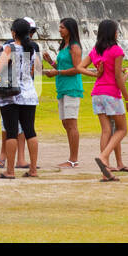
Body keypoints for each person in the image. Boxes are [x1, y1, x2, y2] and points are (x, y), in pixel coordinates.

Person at [84, 19, 128, 182]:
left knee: (106, 131)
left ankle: (106, 173)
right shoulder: (116, 50)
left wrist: (95, 75)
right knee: (122, 129)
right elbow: (117, 78)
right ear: (113, 32)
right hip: (111, 93)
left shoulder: (96, 51)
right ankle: (104, 157)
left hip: (97, 93)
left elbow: (80, 67)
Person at [0, 19, 40, 179]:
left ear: (13, 32)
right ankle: (33, 169)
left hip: (11, 95)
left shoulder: (9, 48)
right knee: (30, 131)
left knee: (11, 132)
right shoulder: (32, 49)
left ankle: (10, 170)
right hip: (29, 93)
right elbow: (33, 70)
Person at [42, 17, 85, 168]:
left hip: (71, 88)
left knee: (72, 123)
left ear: (69, 29)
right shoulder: (64, 46)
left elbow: (77, 69)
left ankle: (73, 159)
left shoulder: (74, 47)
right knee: (65, 122)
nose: (59, 29)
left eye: (62, 27)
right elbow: (62, 66)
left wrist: (57, 71)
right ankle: (71, 158)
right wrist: (51, 63)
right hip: (62, 88)